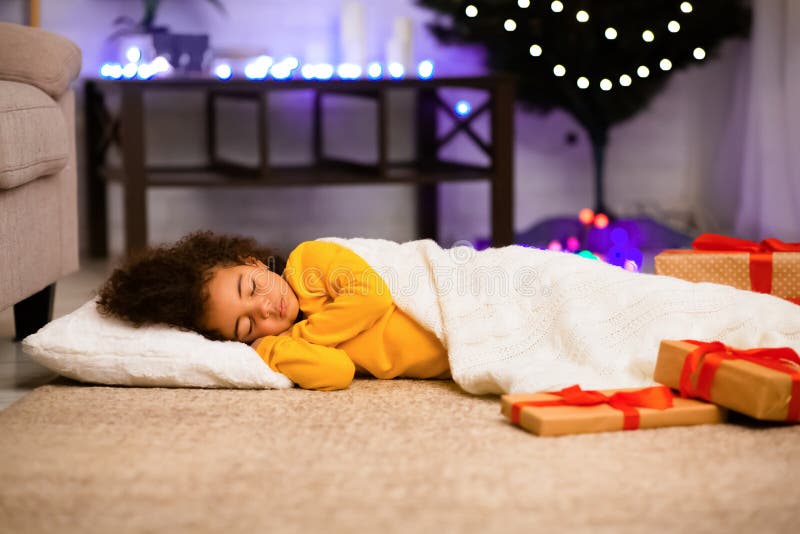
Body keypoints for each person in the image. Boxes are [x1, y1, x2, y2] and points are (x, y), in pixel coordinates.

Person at [97, 231, 450, 391]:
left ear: (251, 262)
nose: (265, 309)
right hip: (452, 359)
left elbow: (372, 298)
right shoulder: (281, 346)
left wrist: (300, 335)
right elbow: (339, 372)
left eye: (251, 287)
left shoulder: (308, 263)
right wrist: (274, 348)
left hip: (457, 298)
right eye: (246, 325)